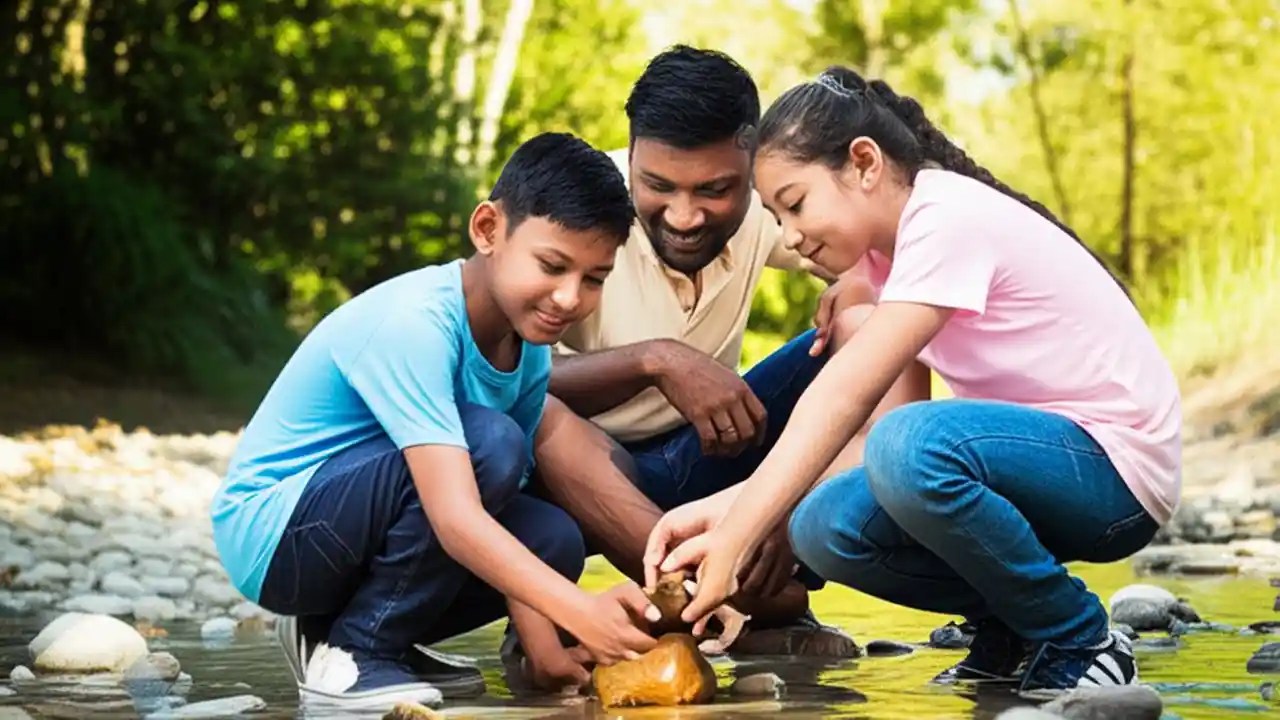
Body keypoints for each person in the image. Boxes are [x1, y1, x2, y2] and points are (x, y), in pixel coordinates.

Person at [644, 66, 1181, 698]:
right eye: (775, 214)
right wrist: (720, 511)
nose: (788, 235)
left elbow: (850, 397)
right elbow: (872, 446)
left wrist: (736, 541)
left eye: (795, 203)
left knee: (910, 444)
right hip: (1040, 473)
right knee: (823, 524)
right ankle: (1012, 626)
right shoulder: (888, 259)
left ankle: (1078, 636)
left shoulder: (944, 217)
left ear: (864, 163)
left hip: (1114, 475)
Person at [210, 132, 661, 706]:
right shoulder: (416, 322)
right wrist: (581, 611)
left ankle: (344, 633)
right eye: (552, 265)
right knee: (492, 445)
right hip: (276, 535)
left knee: (553, 537)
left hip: (350, 524)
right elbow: (454, 517)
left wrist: (546, 652)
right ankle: (356, 652)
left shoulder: (529, 352)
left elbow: (496, 507)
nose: (569, 298)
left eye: (593, 279)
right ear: (488, 229)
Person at [531, 46, 915, 656]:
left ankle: (776, 538)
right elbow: (488, 369)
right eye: (656, 186)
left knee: (868, 327)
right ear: (629, 157)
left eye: (714, 190)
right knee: (540, 421)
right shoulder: (579, 201)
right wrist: (657, 361)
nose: (684, 216)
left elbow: (891, 257)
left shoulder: (771, 200)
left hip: (706, 456)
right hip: (582, 474)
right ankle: (707, 598)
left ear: (753, 165)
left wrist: (860, 282)